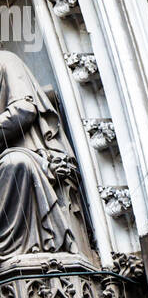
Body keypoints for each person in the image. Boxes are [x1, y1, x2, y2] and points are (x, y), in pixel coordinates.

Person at [0, 49, 85, 257]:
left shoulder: (5, 60)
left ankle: (19, 251)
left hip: (20, 155)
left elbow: (23, 110)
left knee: (16, 163)